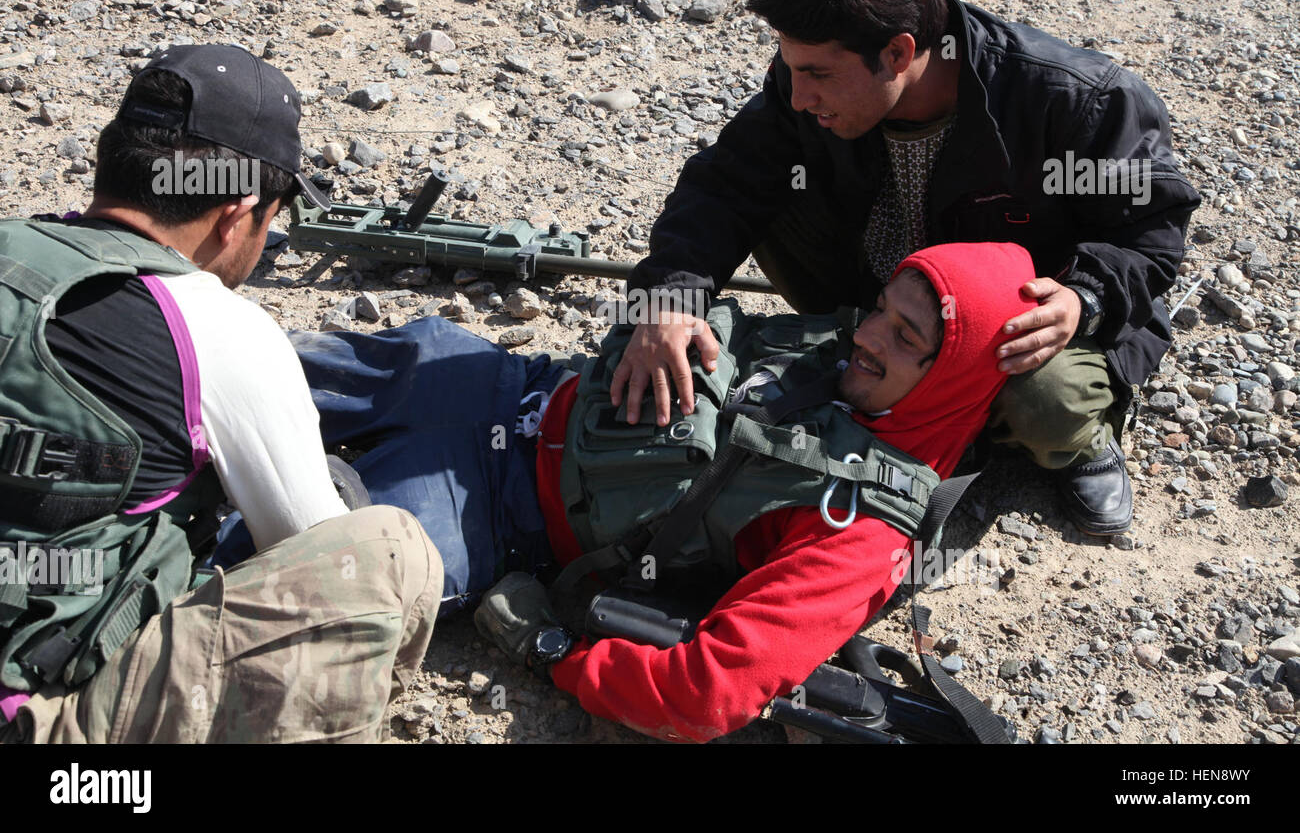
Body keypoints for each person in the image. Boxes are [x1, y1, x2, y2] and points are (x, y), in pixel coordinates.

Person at [291, 241, 1037, 742]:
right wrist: (665, 314)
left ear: (959, 374)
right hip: (513, 383)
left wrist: (554, 652)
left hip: (491, 510)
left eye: (908, 339)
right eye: (882, 309)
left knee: (296, 560)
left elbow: (708, 690)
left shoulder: (862, 529)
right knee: (229, 375)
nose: (871, 336)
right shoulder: (842, 348)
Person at [616, 0, 1201, 538]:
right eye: (792, 69)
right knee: (767, 187)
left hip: (1007, 325)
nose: (798, 96)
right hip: (882, 293)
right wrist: (670, 301)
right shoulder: (815, 82)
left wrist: (1085, 299)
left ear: (898, 52)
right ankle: (888, 371)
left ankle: (1082, 443)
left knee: (1047, 402)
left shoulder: (1074, 100)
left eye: (817, 74)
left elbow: (1151, 232)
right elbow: (724, 183)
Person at [0, 44, 442, 744]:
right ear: (237, 215)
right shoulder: (218, 328)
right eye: (276, 217)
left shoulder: (13, 252)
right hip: (31, 725)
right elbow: (307, 546)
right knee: (387, 552)